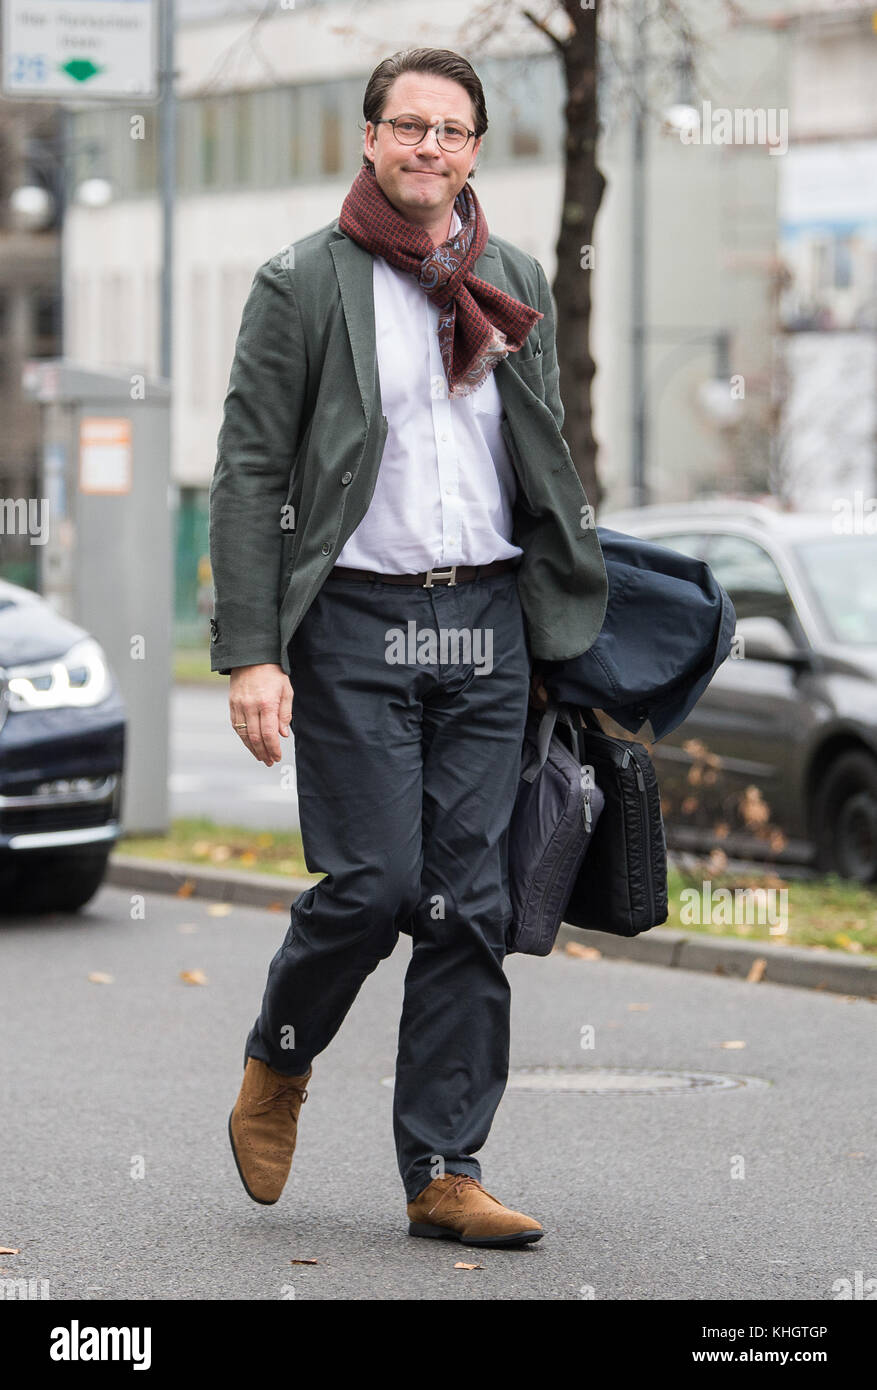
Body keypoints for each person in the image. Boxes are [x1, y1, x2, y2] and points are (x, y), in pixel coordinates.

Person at [209, 47, 607, 1248]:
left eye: (452, 130)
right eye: (407, 126)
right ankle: (280, 1056)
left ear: (476, 148)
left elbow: (541, 461)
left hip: (484, 621)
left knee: (467, 902)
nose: (429, 147)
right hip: (356, 623)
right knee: (376, 884)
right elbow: (250, 471)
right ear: (371, 138)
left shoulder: (513, 278)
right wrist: (250, 649)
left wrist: (557, 625)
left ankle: (444, 1165)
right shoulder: (304, 282)